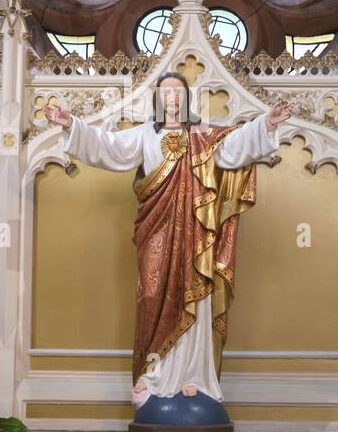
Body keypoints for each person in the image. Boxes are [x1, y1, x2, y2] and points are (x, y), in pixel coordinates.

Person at [44, 73, 293, 411]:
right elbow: (109, 147)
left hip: (195, 236)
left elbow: (234, 146)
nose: (172, 99)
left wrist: (267, 123)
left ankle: (195, 378)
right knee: (152, 295)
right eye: (165, 93)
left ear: (188, 98)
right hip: (156, 233)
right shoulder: (146, 135)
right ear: (157, 99)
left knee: (197, 296)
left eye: (178, 92)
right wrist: (71, 124)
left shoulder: (202, 137)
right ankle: (154, 378)